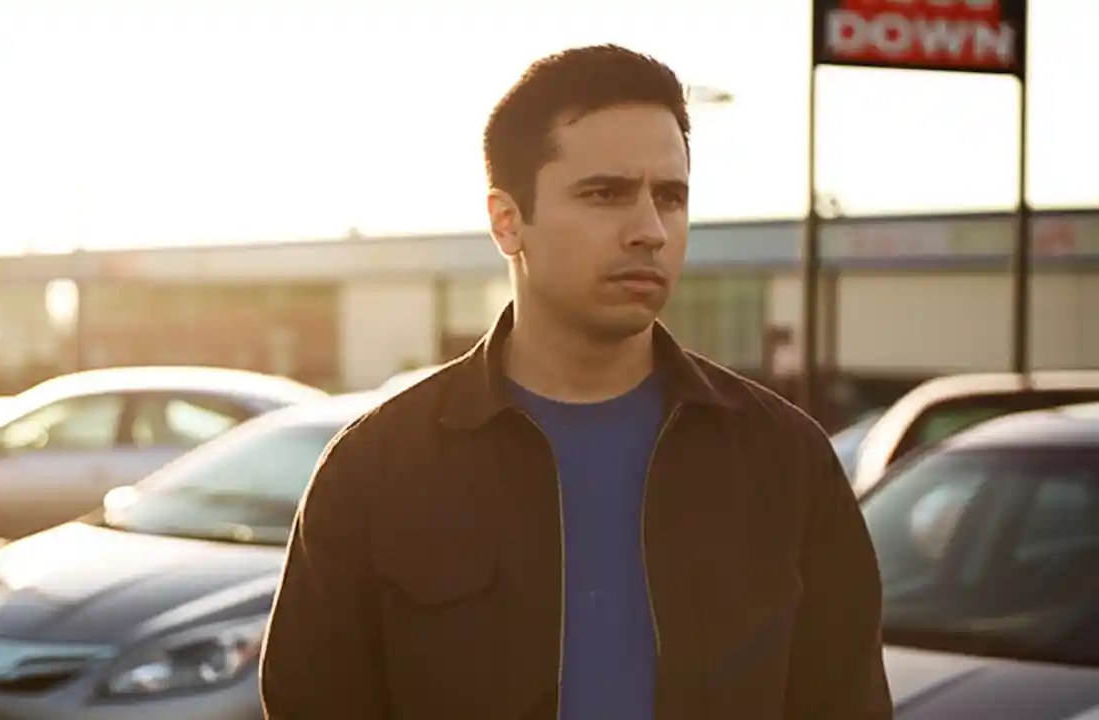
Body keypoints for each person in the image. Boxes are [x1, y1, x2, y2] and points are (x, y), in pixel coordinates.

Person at [260, 44, 891, 720]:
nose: (650, 230)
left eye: (670, 197)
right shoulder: (375, 470)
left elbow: (845, 701)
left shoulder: (784, 460)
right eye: (605, 194)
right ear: (508, 221)